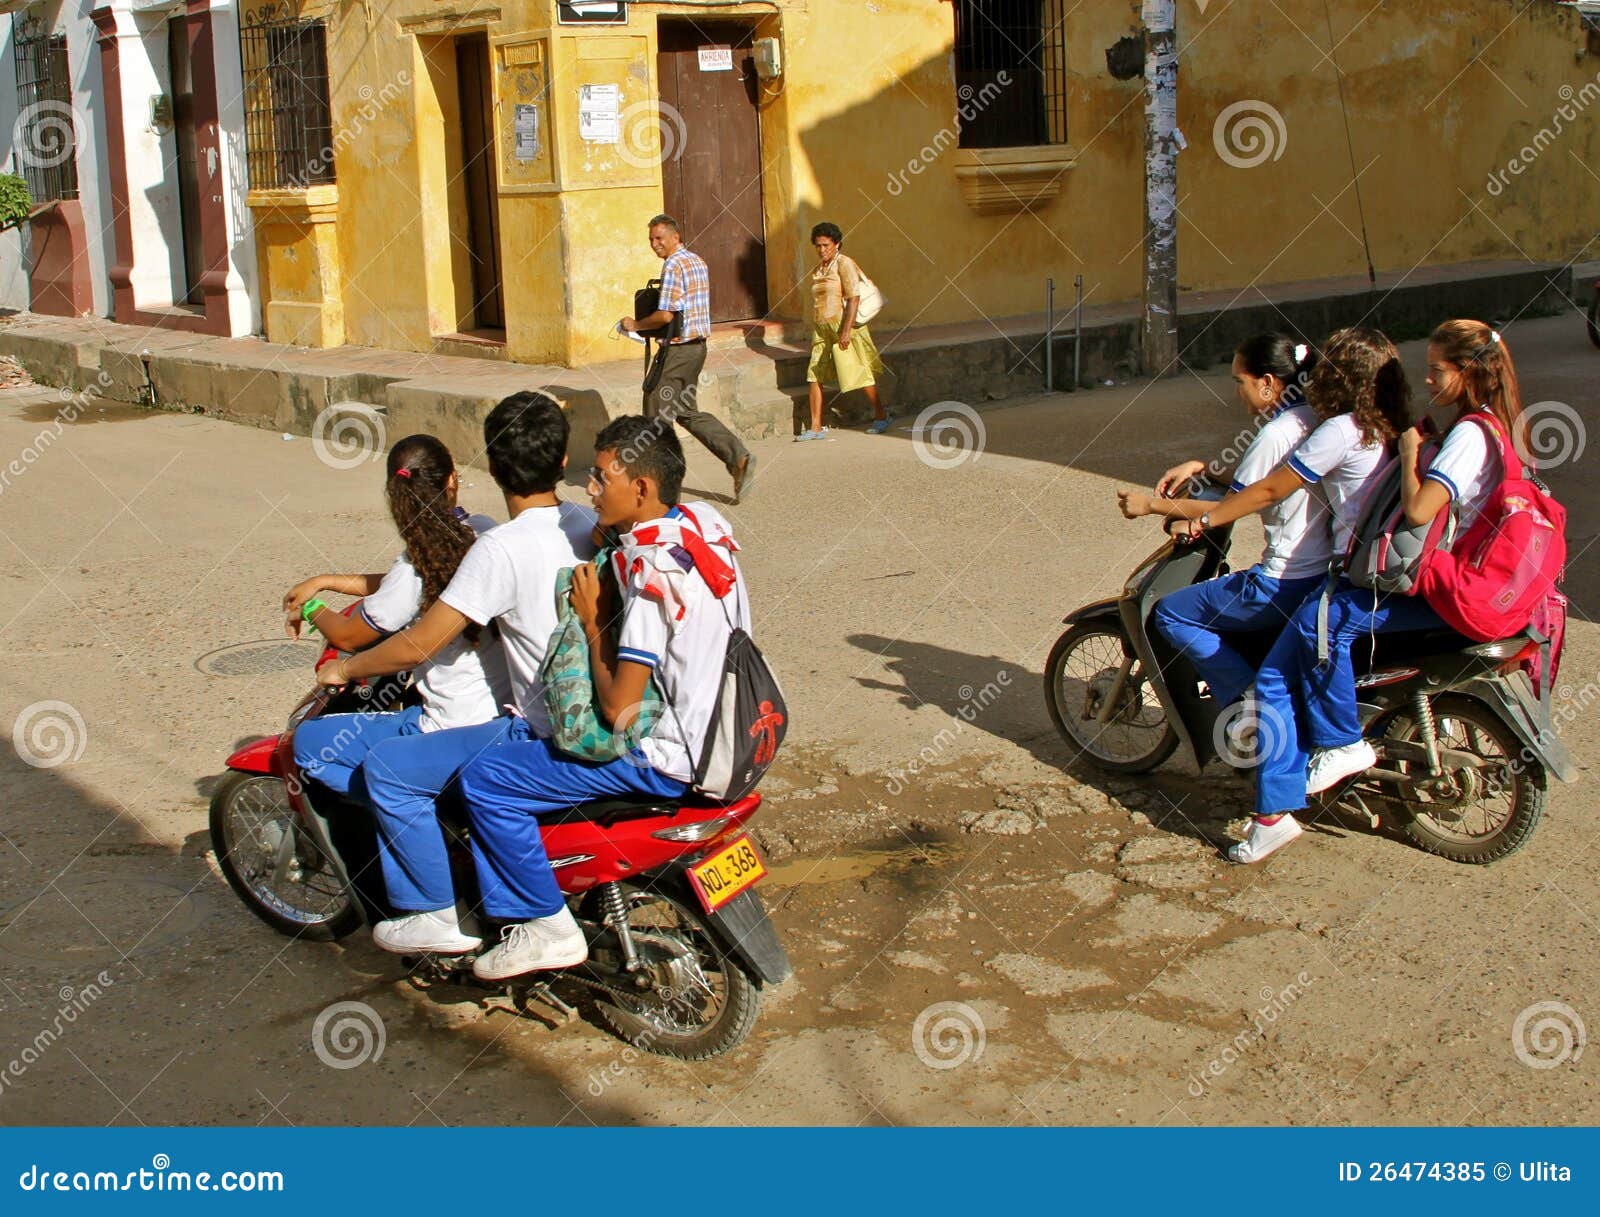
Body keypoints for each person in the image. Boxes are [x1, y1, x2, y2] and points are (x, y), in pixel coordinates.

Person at [452, 415, 752, 981]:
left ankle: (543, 926)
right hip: (736, 733)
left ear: (640, 488)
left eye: (600, 479)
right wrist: (612, 535)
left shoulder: (651, 575)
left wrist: (593, 624)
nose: (589, 492)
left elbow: (619, 711)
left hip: (668, 760)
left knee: (486, 779)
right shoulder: (705, 525)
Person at [1221, 319, 1523, 863]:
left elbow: (1417, 508)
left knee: (1305, 645)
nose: (1427, 378)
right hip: (1451, 572)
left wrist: (1412, 453)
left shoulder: (1437, 432)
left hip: (1411, 578)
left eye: (1437, 369)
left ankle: (1331, 754)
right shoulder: (1492, 425)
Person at [316, 391, 596, 954]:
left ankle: (433, 914)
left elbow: (419, 640)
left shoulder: (500, 547)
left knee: (390, 771)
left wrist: (347, 667)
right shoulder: (585, 522)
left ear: (491, 467)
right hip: (598, 706)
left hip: (535, 727)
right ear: (564, 462)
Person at [1185, 327, 1412, 862]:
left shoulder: (1340, 429)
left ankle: (1281, 806)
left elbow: (1268, 489)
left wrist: (1206, 518)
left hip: (1343, 577)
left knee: (1270, 682)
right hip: (1381, 571)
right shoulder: (1387, 426)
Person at [284, 434, 509, 796]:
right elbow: (409, 580)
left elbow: (347, 636)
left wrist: (310, 607)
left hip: (453, 722)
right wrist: (326, 582)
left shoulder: (414, 567)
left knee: (309, 741)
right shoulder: (485, 531)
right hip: (504, 713)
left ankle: (397, 804)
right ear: (452, 480)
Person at [1114, 334, 1326, 715]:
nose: (1238, 394)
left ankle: (1249, 703)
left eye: (1239, 383)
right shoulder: (1309, 419)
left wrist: (1152, 505)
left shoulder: (1276, 434)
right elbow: (1261, 485)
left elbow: (1237, 504)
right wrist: (1205, 468)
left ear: (1267, 382)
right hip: (1318, 575)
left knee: (1170, 613)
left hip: (1281, 581)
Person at [617, 215, 756, 502]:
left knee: (655, 413)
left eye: (660, 238)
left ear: (675, 236)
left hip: (678, 350)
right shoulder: (697, 261)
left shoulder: (673, 265)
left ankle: (661, 488)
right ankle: (737, 457)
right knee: (686, 411)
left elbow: (666, 315)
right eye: (651, 240)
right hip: (697, 348)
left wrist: (636, 324)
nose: (655, 245)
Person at [799, 221, 889, 441]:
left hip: (843, 326)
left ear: (836, 244)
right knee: (814, 375)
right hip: (822, 328)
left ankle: (881, 415)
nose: (821, 250)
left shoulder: (844, 264)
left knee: (859, 372)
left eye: (826, 245)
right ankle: (816, 426)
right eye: (818, 246)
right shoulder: (819, 269)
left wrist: (846, 331)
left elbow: (853, 298)